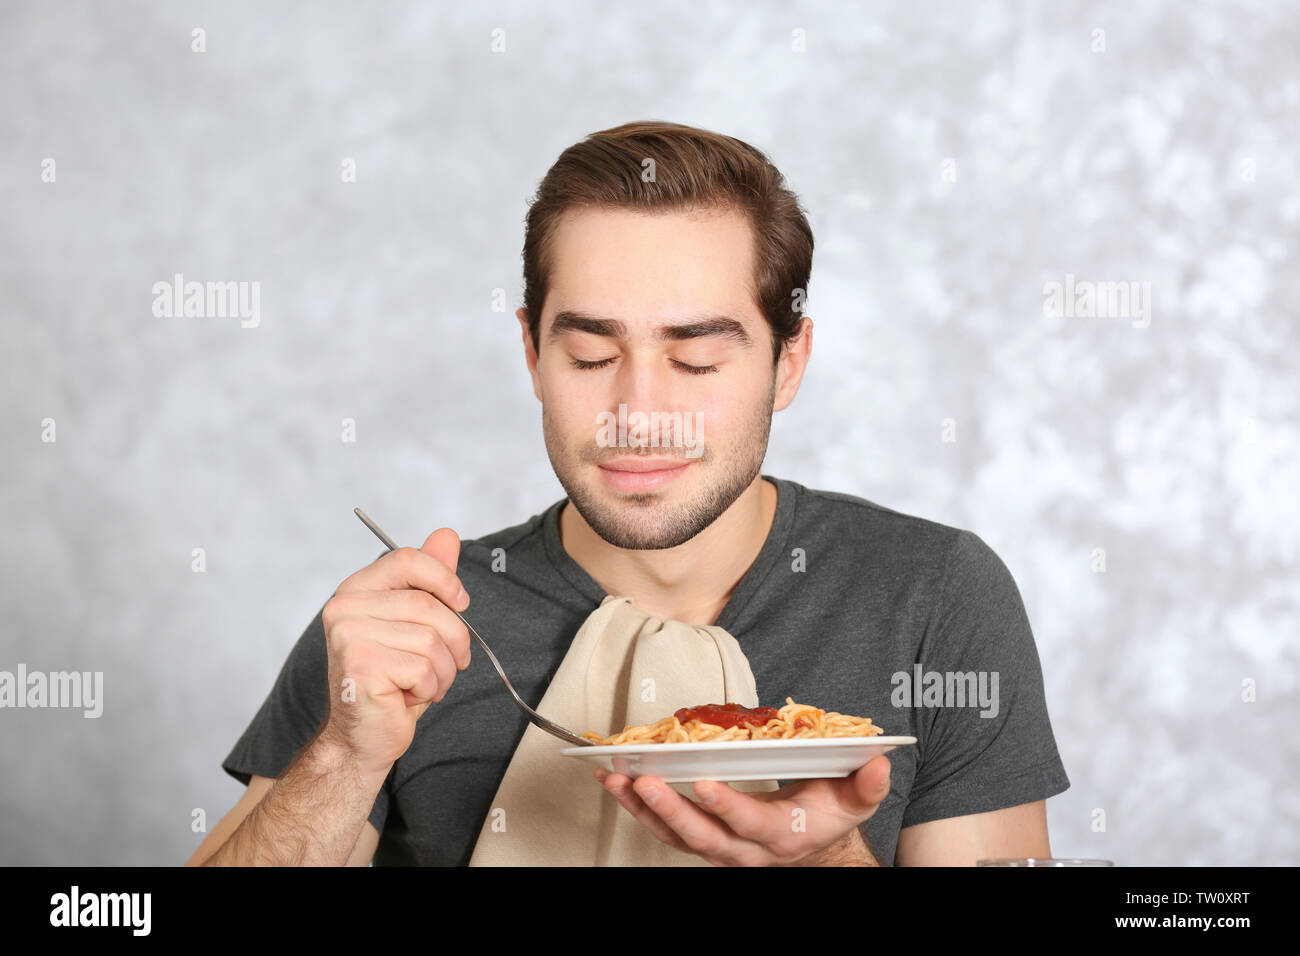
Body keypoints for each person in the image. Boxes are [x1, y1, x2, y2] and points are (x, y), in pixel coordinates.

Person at [186, 120, 1069, 867]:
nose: (638, 414)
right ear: (532, 354)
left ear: (787, 363)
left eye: (696, 358)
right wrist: (344, 756)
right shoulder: (406, 625)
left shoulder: (936, 594)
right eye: (591, 357)